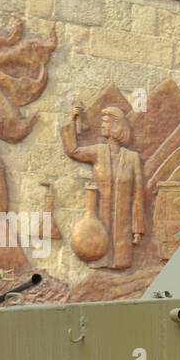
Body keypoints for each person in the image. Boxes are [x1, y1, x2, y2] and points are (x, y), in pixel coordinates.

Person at [62, 104, 145, 269]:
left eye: (105, 122)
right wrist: (71, 121)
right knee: (100, 255)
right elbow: (73, 150)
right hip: (100, 220)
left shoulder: (132, 158)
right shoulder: (98, 152)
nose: (102, 125)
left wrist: (137, 229)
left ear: (116, 126)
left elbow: (138, 196)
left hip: (123, 223)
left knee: (121, 262)